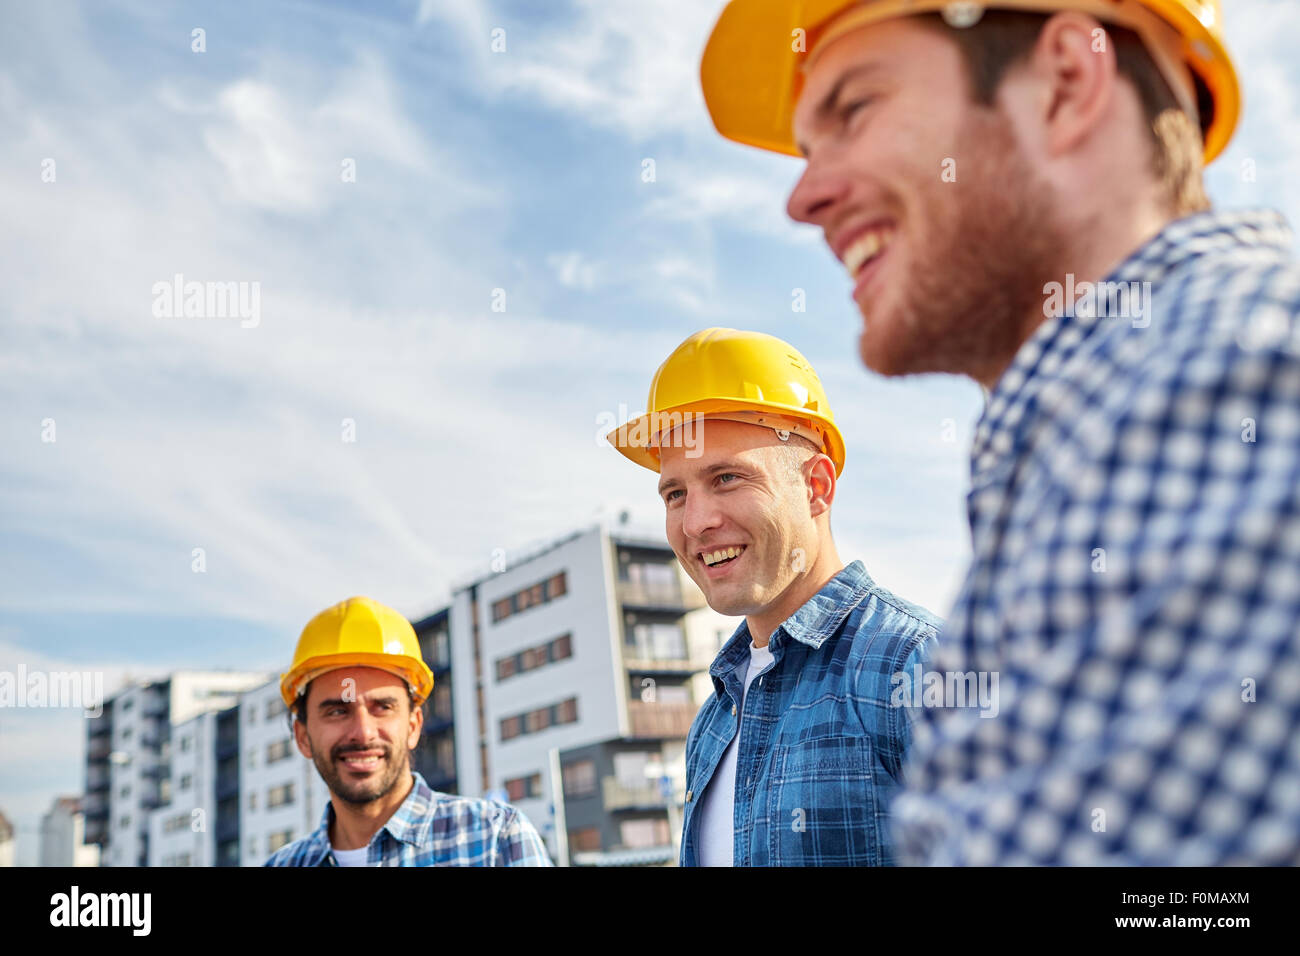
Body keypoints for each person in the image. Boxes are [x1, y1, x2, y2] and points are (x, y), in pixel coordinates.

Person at [700, 1, 1300, 863]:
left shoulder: (1220, 388)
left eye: (856, 110)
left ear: (1065, 83)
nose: (805, 196)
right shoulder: (1086, 445)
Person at [607, 327, 940, 865]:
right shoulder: (713, 723)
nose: (695, 523)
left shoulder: (914, 664)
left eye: (728, 478)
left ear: (816, 488)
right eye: (675, 493)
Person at [265, 596, 551, 866]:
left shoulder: (497, 841)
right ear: (302, 736)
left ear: (413, 725)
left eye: (382, 707)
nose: (363, 733)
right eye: (338, 711)